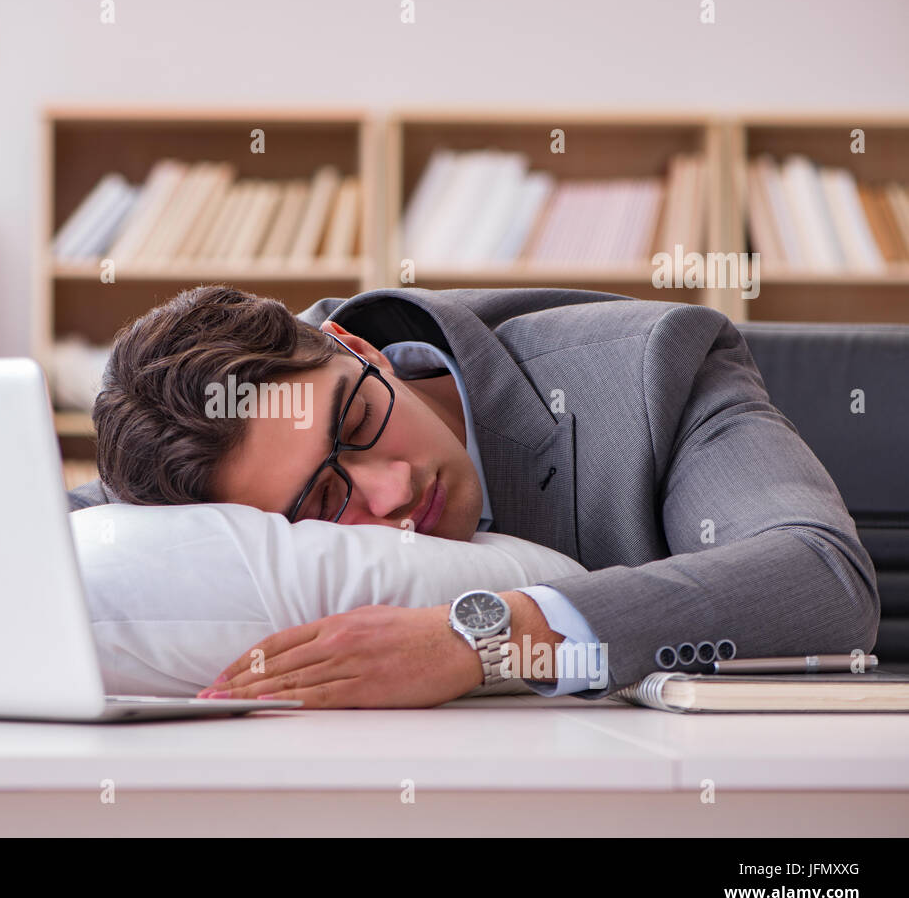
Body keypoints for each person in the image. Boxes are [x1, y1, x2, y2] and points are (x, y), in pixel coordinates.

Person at [67, 284, 879, 708]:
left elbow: (824, 578)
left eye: (356, 416)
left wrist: (482, 637)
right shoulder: (192, 451)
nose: (391, 491)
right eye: (319, 505)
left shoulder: (655, 368)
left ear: (357, 348)